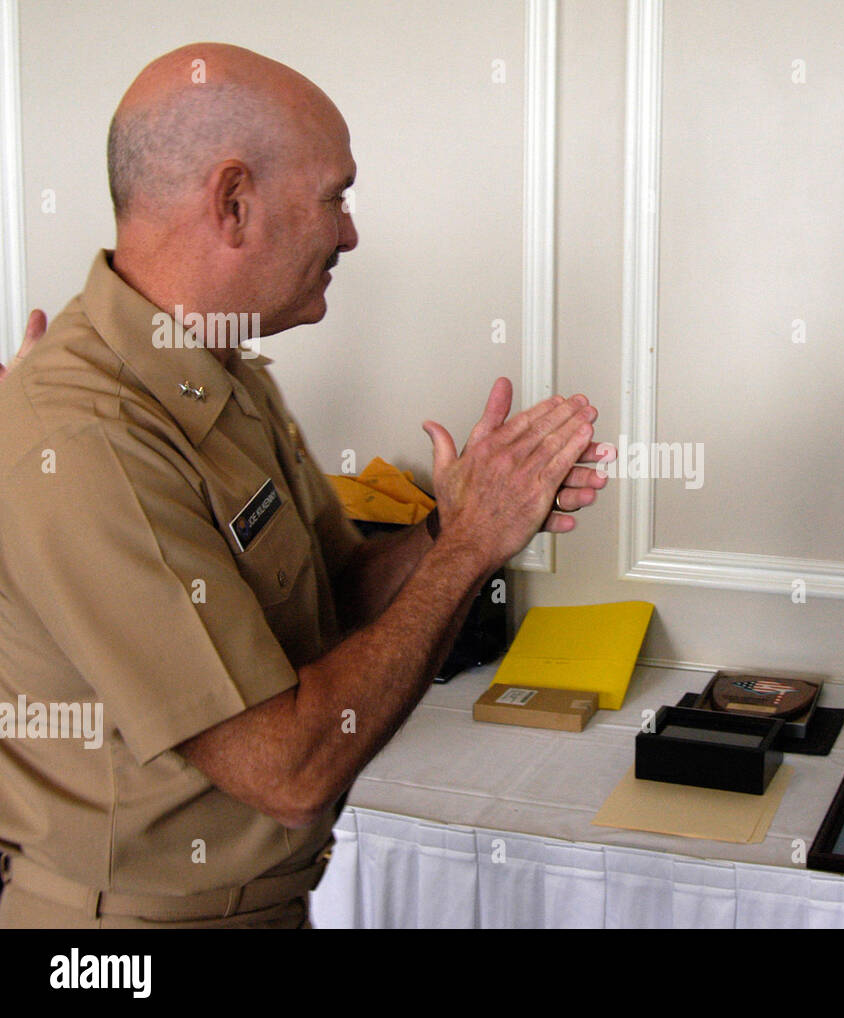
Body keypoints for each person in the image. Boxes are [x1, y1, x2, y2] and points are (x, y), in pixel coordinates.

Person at [0, 43, 607, 928]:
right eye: (337, 196)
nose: (350, 232)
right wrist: (475, 545)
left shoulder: (224, 372)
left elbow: (339, 599)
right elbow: (286, 771)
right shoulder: (88, 437)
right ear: (234, 203)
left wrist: (453, 528)